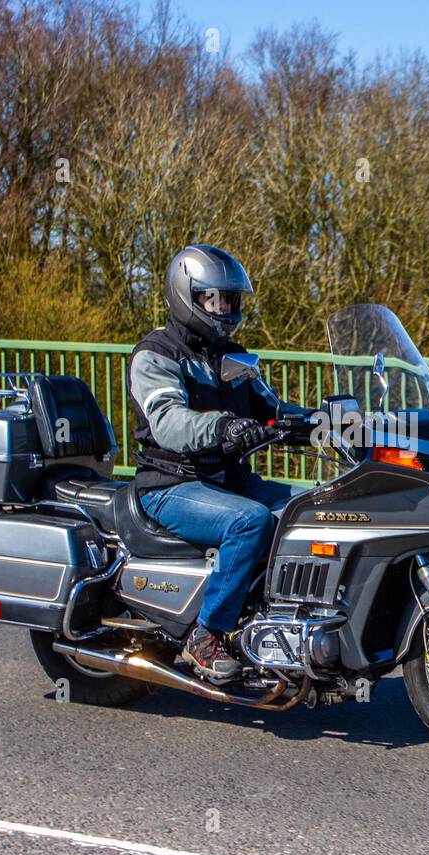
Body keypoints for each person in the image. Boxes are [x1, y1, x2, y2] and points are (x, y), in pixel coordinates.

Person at [127, 244, 308, 683]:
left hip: (227, 480)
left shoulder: (233, 356)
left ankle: (288, 622)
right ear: (186, 295)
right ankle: (207, 634)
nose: (224, 308)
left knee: (316, 507)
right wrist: (224, 428)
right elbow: (168, 423)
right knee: (249, 523)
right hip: (171, 485)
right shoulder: (156, 354)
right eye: (214, 298)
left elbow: (272, 408)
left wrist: (329, 421)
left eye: (229, 299)